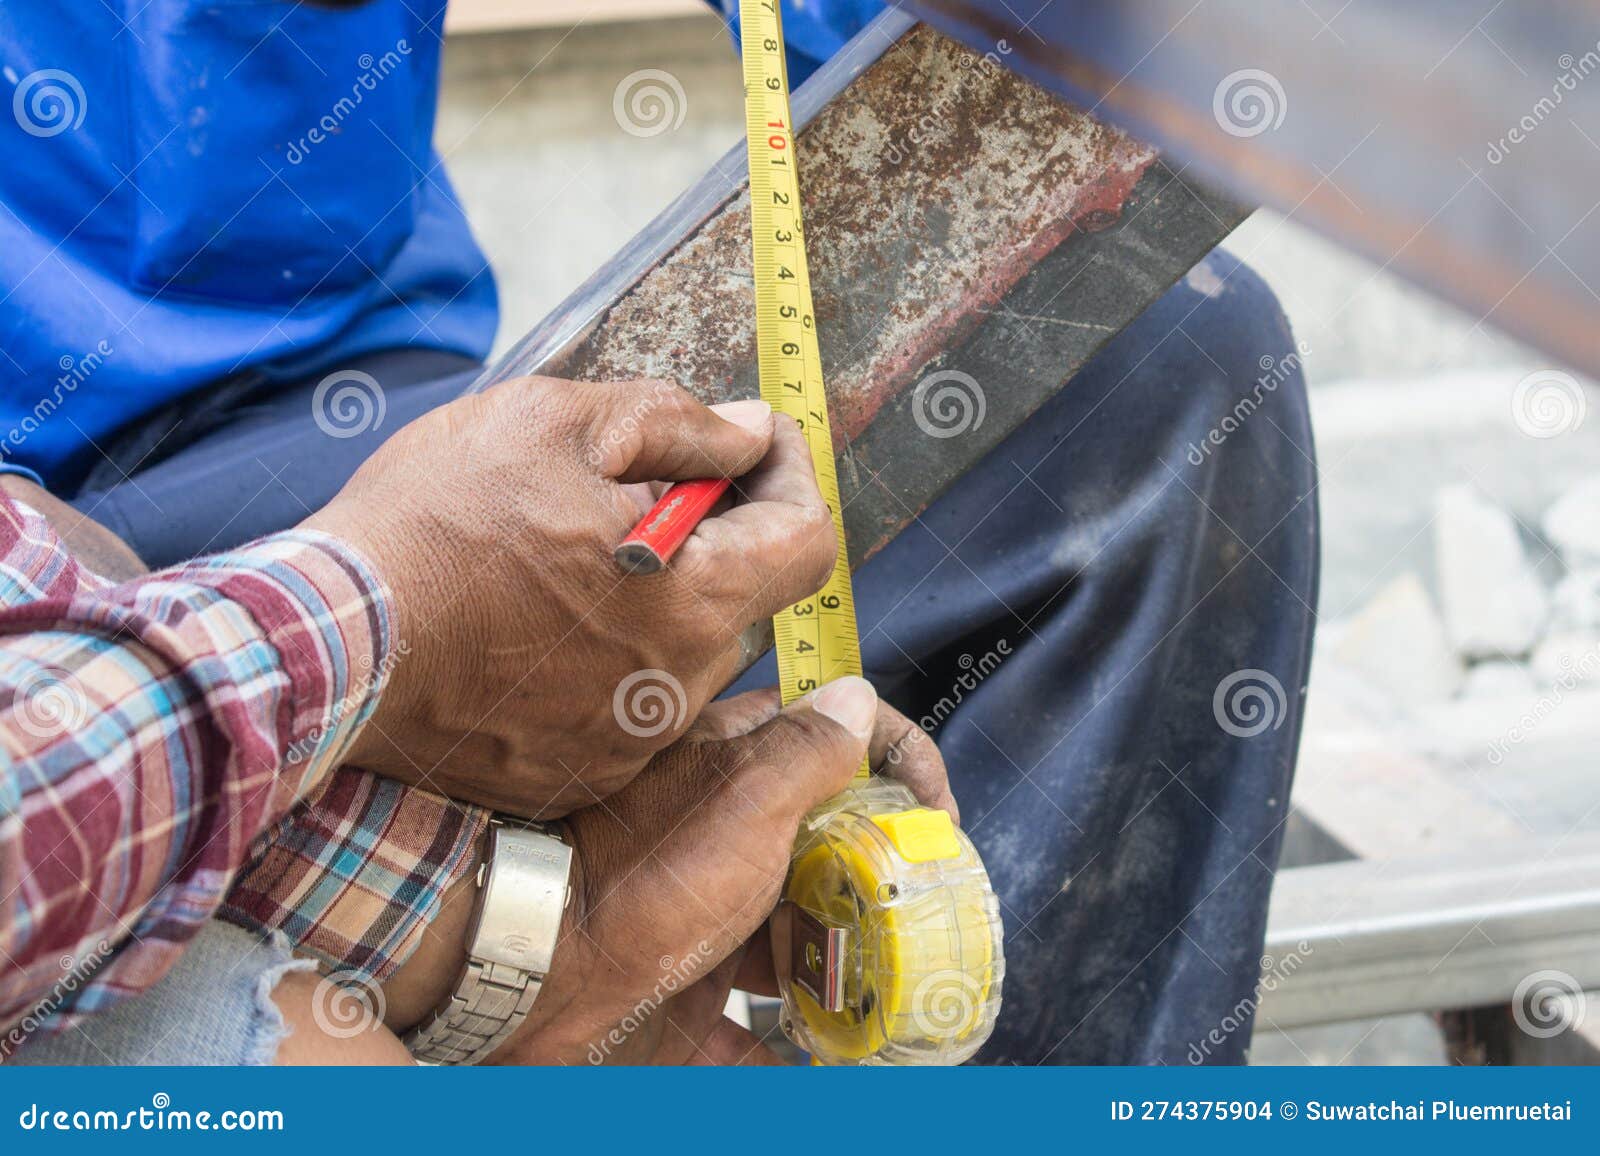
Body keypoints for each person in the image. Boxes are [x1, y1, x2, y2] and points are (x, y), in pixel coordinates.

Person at [0, 0, 1318, 1064]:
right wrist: (400, 634)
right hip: (55, 525)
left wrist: (517, 932)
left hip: (345, 405)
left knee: (1169, 366)